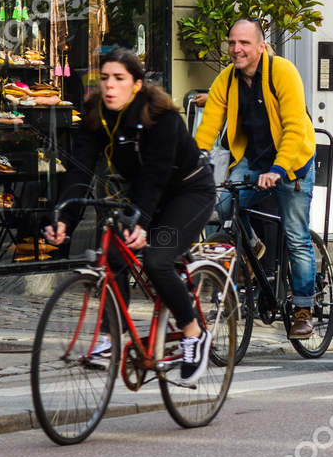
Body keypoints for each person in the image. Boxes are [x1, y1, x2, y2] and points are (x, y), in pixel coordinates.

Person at [44, 51, 217, 386]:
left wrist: (140, 222)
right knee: (112, 254)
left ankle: (193, 332)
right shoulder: (95, 115)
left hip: (187, 192)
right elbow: (79, 170)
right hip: (142, 193)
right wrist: (64, 217)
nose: (110, 86)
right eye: (105, 78)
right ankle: (112, 336)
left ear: (137, 84)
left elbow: (156, 173)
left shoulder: (160, 115)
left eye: (119, 79)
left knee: (158, 260)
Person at [193, 18, 319, 338]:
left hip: (293, 164)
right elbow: (209, 125)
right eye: (232, 42)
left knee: (295, 236)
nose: (237, 49)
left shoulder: (283, 72)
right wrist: (193, 161)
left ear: (261, 46)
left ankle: (304, 307)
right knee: (224, 205)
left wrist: (278, 170)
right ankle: (254, 246)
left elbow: (294, 127)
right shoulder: (227, 79)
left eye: (244, 43)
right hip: (254, 160)